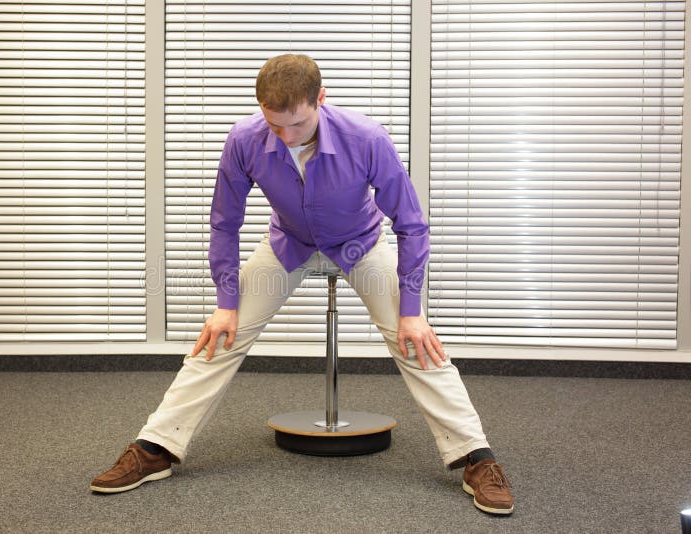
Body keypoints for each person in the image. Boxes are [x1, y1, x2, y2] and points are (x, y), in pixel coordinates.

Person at [90, 54, 514, 515]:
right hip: (288, 244)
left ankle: (476, 456)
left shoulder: (366, 138)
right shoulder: (244, 138)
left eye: (296, 125)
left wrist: (411, 311)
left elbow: (411, 225)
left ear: (320, 99)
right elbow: (224, 224)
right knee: (217, 337)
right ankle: (156, 447)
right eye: (275, 126)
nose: (286, 137)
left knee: (417, 341)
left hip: (358, 244)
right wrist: (226, 303)